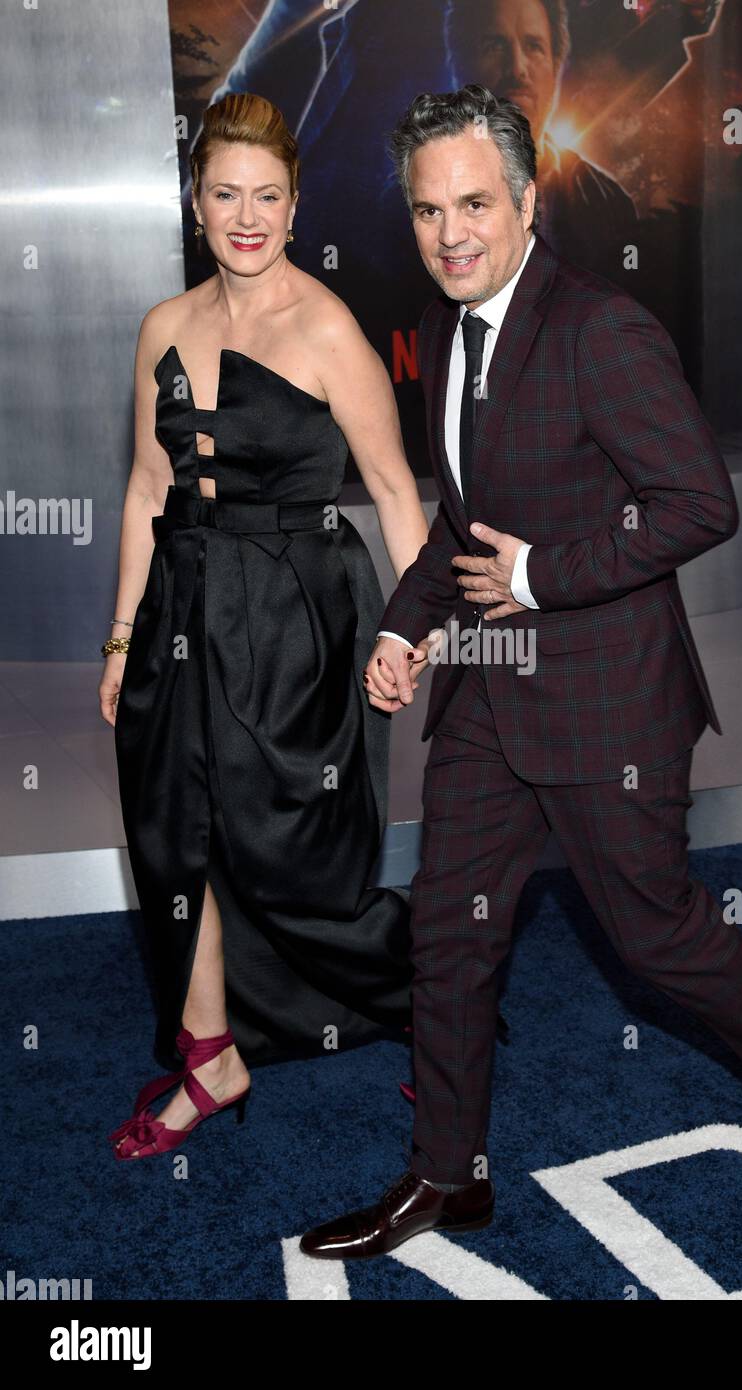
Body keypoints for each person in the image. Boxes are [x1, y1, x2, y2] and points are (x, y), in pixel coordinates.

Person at [299, 85, 742, 1257]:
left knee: (654, 936)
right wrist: (408, 630)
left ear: (524, 199)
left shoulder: (598, 329)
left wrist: (541, 579)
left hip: (609, 695)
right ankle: (449, 1173)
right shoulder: (446, 329)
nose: (450, 232)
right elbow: (467, 524)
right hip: (483, 704)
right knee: (450, 937)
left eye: (472, 204)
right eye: (425, 211)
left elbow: (696, 505)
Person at [101, 93, 429, 1160]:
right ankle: (212, 1056)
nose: (247, 217)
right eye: (226, 195)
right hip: (178, 609)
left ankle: (438, 1006)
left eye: (268, 197)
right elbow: (149, 488)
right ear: (197, 204)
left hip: (295, 619)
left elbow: (392, 491)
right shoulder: (164, 325)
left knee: (295, 855)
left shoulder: (327, 325)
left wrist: (406, 633)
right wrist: (119, 641)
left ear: (296, 206)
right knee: (171, 837)